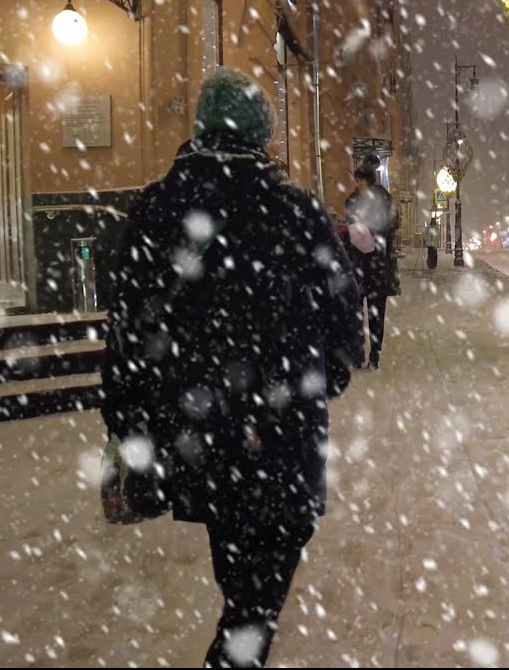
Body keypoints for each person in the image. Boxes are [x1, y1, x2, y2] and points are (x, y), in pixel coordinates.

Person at [101, 67, 363, 668]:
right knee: (258, 593)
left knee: (242, 579)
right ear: (262, 133)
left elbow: (126, 328)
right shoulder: (295, 211)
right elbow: (344, 320)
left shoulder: (157, 209)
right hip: (282, 432)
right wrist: (328, 371)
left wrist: (130, 417)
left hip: (199, 437)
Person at [343, 161, 400, 370]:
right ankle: (358, 352)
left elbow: (392, 224)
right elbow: (348, 220)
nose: (358, 185)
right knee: (356, 310)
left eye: (361, 181)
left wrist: (373, 229)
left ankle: (375, 353)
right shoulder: (353, 200)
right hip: (358, 261)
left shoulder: (383, 200)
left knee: (376, 312)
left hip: (377, 262)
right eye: (356, 181)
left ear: (370, 181)